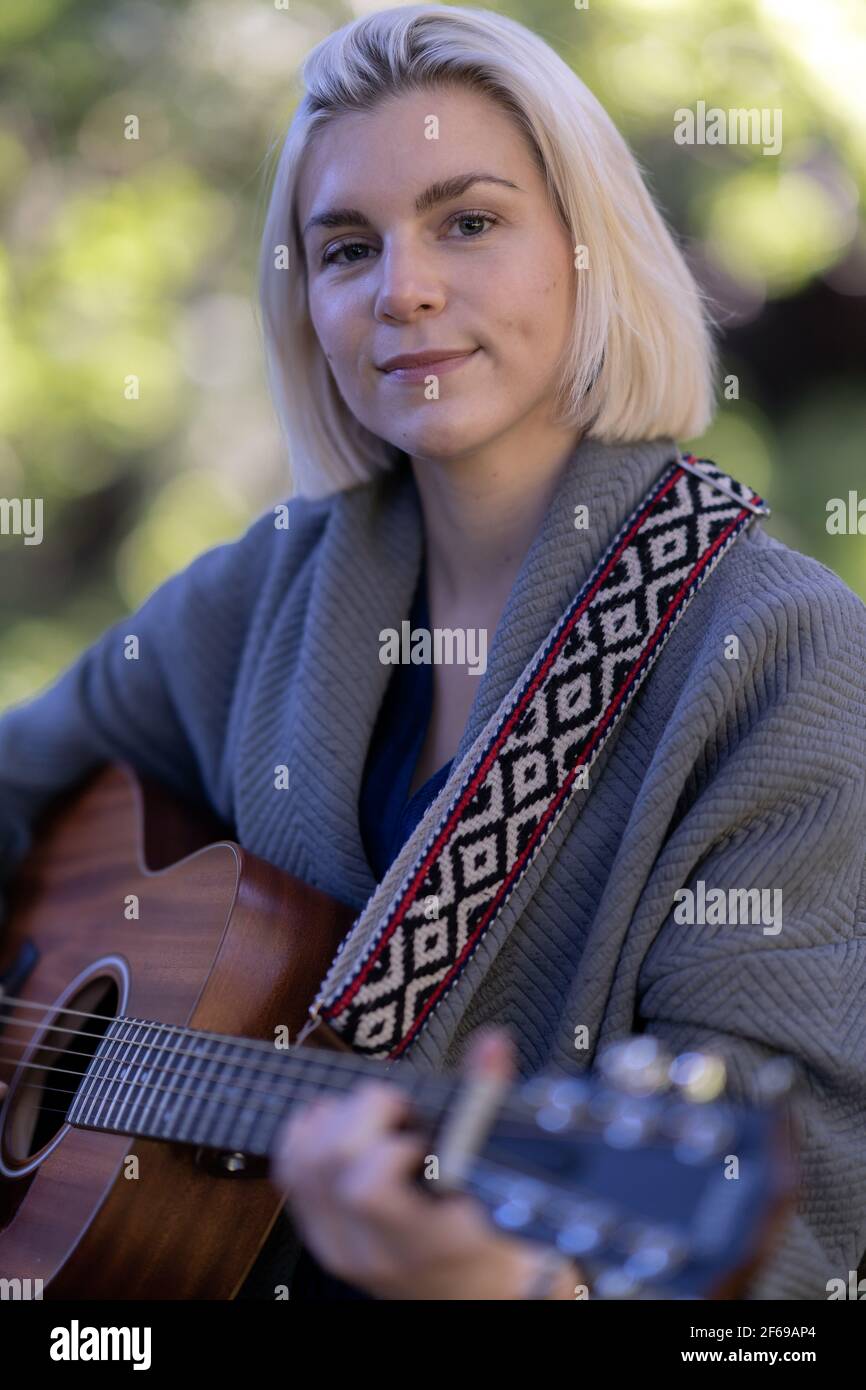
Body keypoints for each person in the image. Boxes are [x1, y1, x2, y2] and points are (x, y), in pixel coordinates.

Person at [1, 5, 865, 1301]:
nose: (400, 285)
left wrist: (512, 1286)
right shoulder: (260, 591)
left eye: (466, 220)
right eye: (347, 246)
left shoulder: (778, 651)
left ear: (590, 249)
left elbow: (784, 1222)